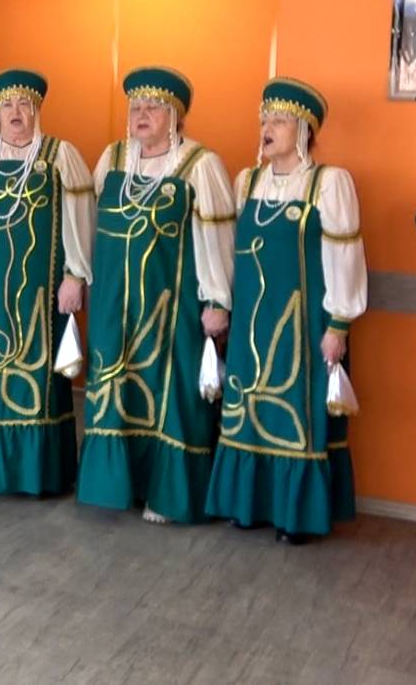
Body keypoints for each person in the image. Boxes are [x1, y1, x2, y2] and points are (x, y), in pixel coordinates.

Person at [205, 78, 365, 543]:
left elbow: (344, 256)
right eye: (265, 120)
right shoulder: (246, 182)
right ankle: (248, 504)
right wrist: (220, 305)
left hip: (302, 322)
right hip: (250, 322)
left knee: (296, 412)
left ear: (304, 130)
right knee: (246, 405)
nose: (267, 129)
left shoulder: (329, 183)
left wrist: (338, 324)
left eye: (279, 121)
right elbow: (228, 251)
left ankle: (297, 516)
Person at [79, 66, 235, 524]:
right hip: (113, 307)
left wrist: (217, 301)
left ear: (176, 116)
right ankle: (117, 487)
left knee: (172, 396)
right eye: (135, 107)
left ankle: (166, 496)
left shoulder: (200, 165)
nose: (141, 115)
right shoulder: (113, 159)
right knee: (114, 387)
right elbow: (89, 225)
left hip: (172, 309)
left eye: (153, 108)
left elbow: (218, 240)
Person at [0, 70, 92, 497]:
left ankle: (36, 474)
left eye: (24, 105)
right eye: (7, 105)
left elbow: (80, 220)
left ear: (37, 110)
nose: (15, 112)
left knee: (38, 376)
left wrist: (75, 275)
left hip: (41, 291)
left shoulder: (60, 155)